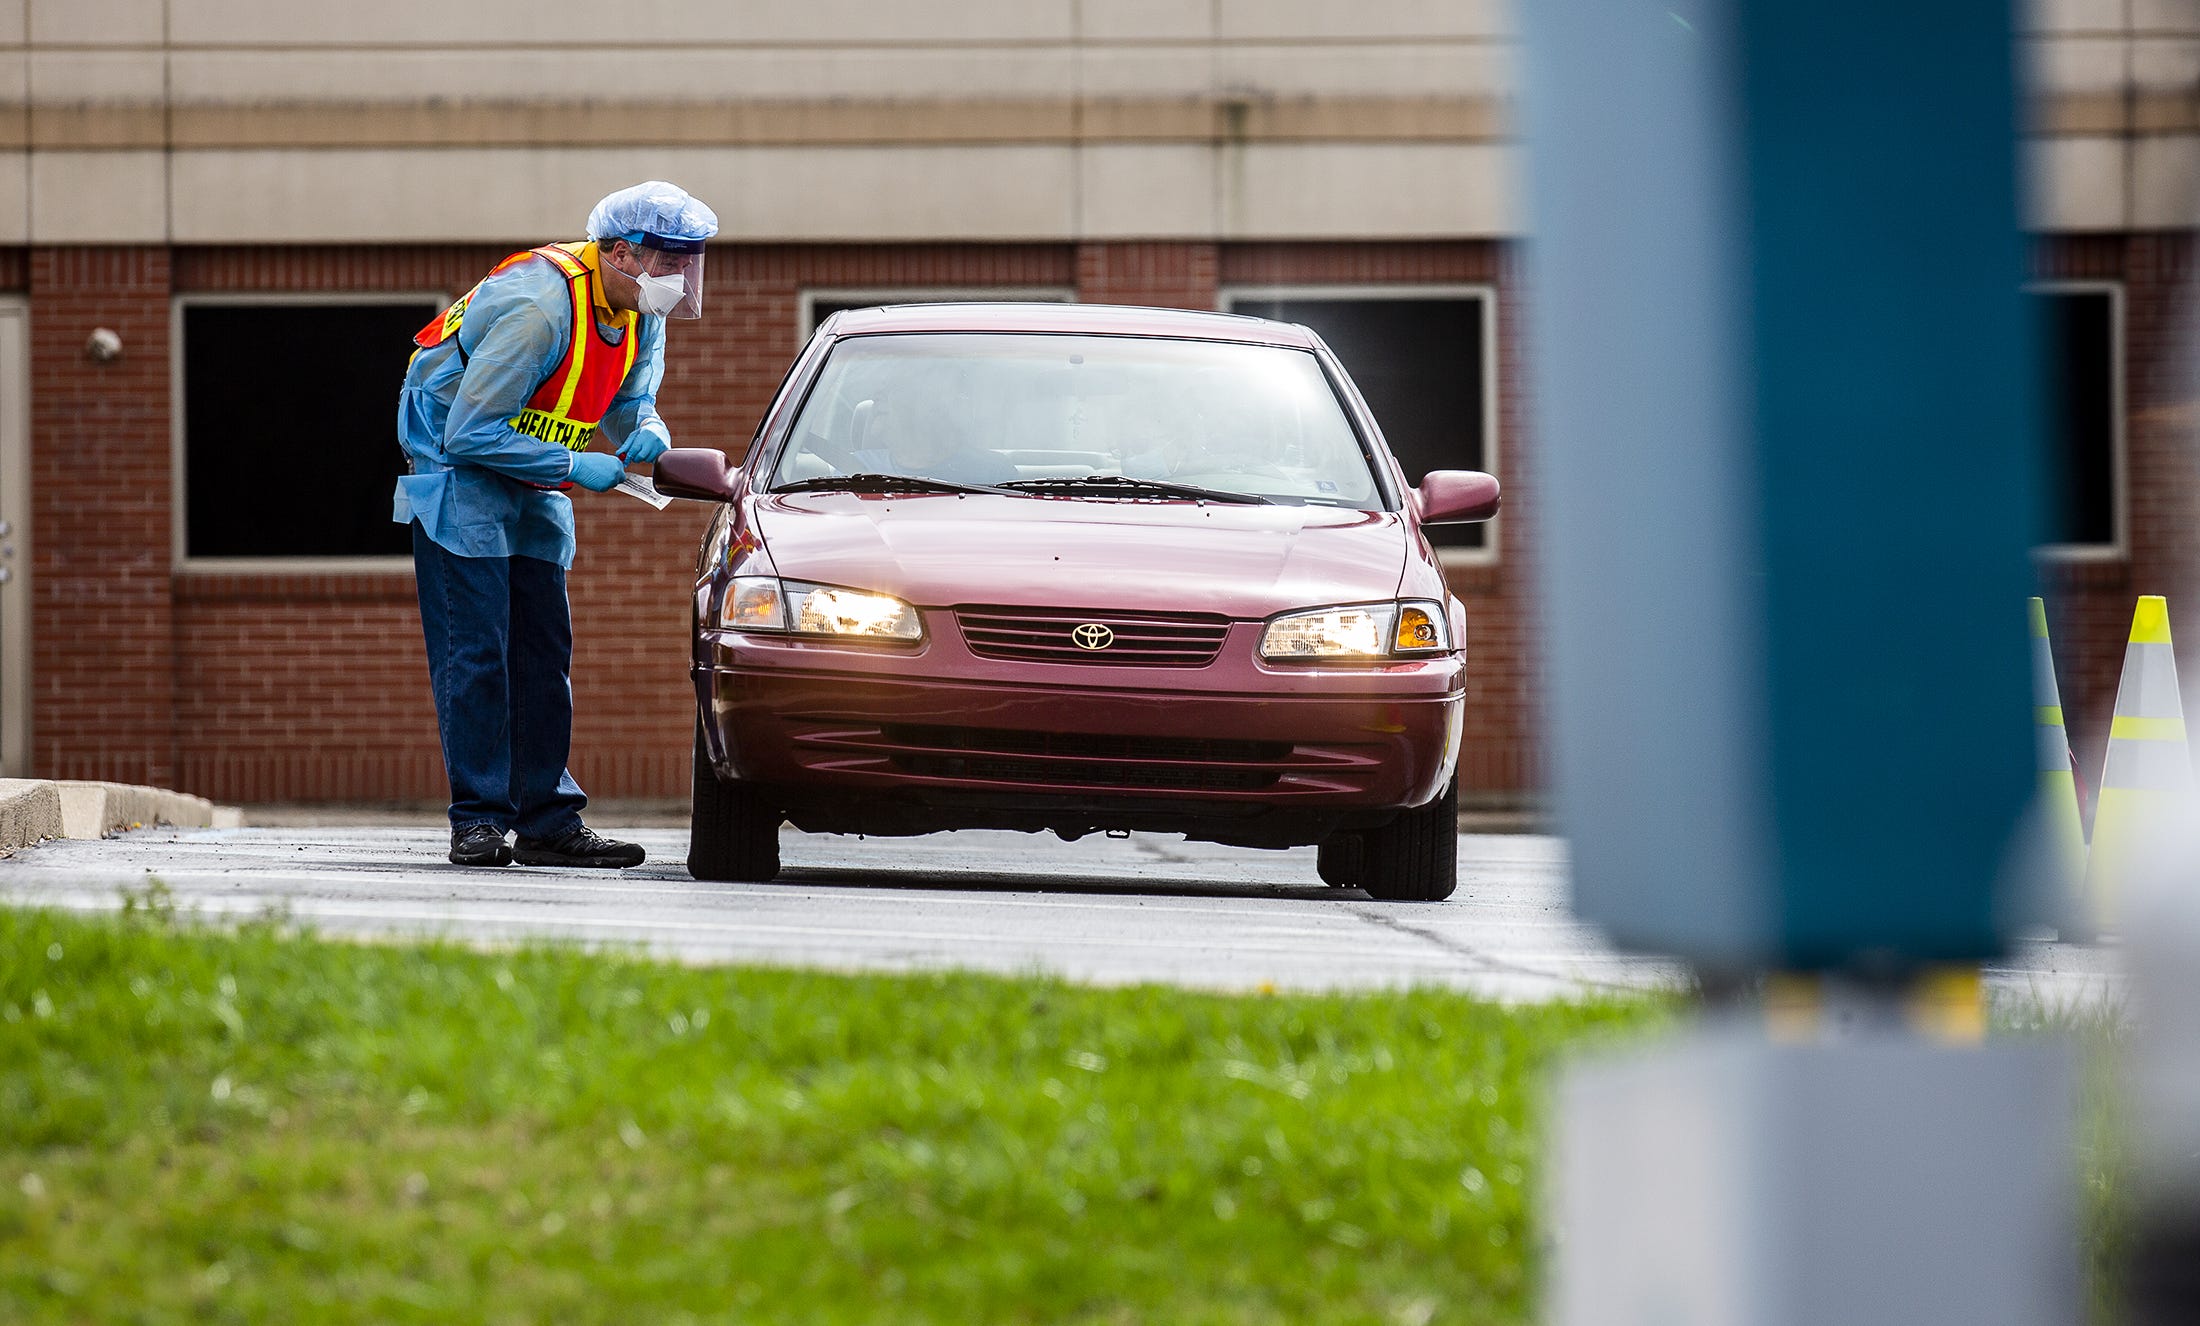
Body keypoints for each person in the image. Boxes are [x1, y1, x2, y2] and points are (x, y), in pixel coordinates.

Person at [394, 181, 718, 868]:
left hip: (534, 465)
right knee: (478, 653)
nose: (681, 278)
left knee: (544, 655)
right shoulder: (538, 309)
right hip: (460, 470)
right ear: (622, 253)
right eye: (670, 261)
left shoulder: (638, 311)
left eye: (691, 261)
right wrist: (576, 462)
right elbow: (469, 430)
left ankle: (547, 821)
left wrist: (648, 430)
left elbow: (631, 399)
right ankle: (478, 820)